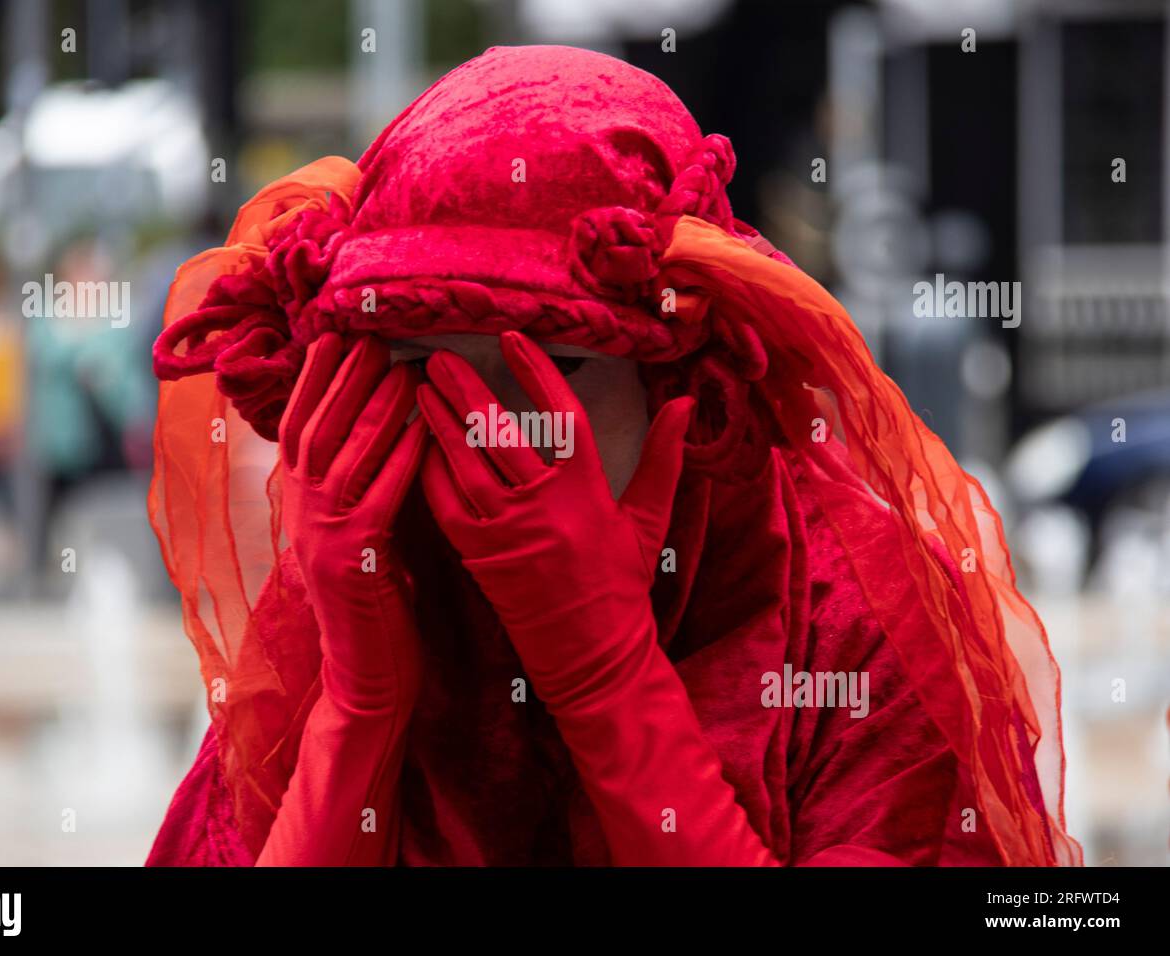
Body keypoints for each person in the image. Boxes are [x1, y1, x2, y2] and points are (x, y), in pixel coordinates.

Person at [146, 46, 1081, 866]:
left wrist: (608, 680)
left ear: (683, 380)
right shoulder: (353, 598)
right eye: (424, 367)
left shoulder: (851, 619)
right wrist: (360, 704)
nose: (488, 431)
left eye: (554, 368)